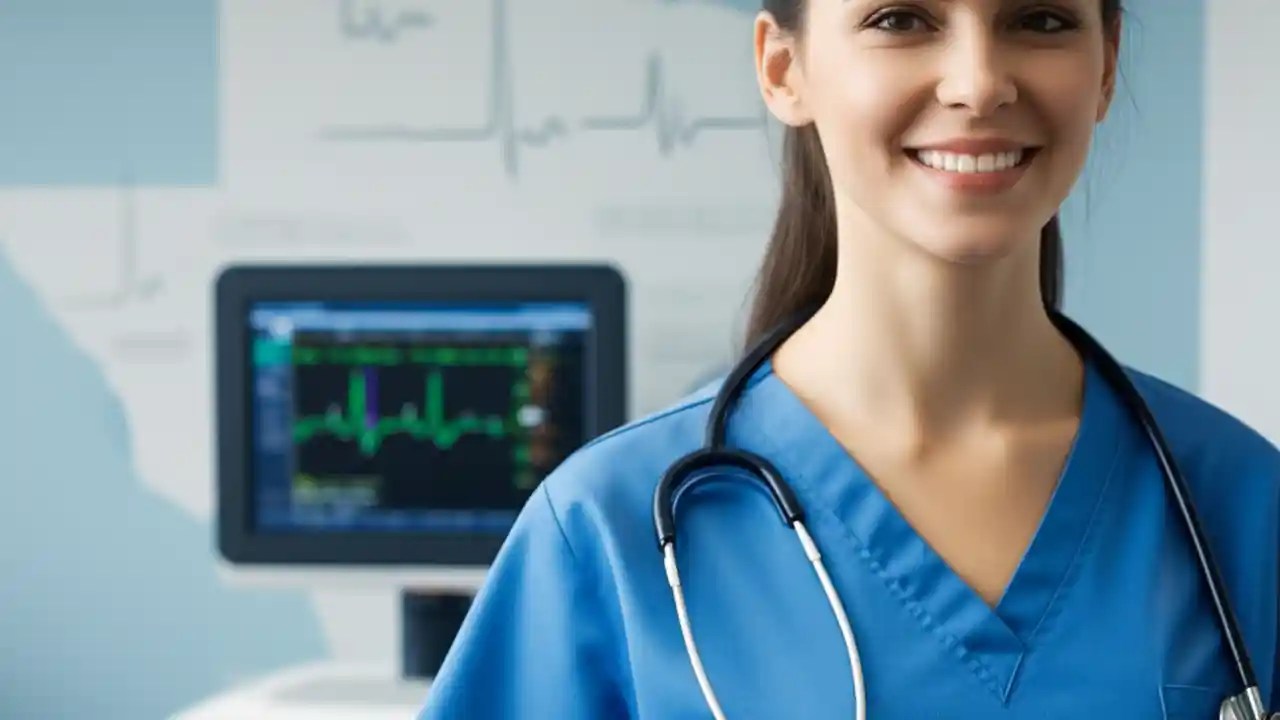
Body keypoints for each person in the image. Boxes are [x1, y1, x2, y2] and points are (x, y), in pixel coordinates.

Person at [418, 0, 1280, 716]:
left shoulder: (1244, 508)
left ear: (1105, 66)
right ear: (783, 68)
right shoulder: (606, 528)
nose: (979, 82)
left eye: (1041, 19)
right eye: (902, 19)